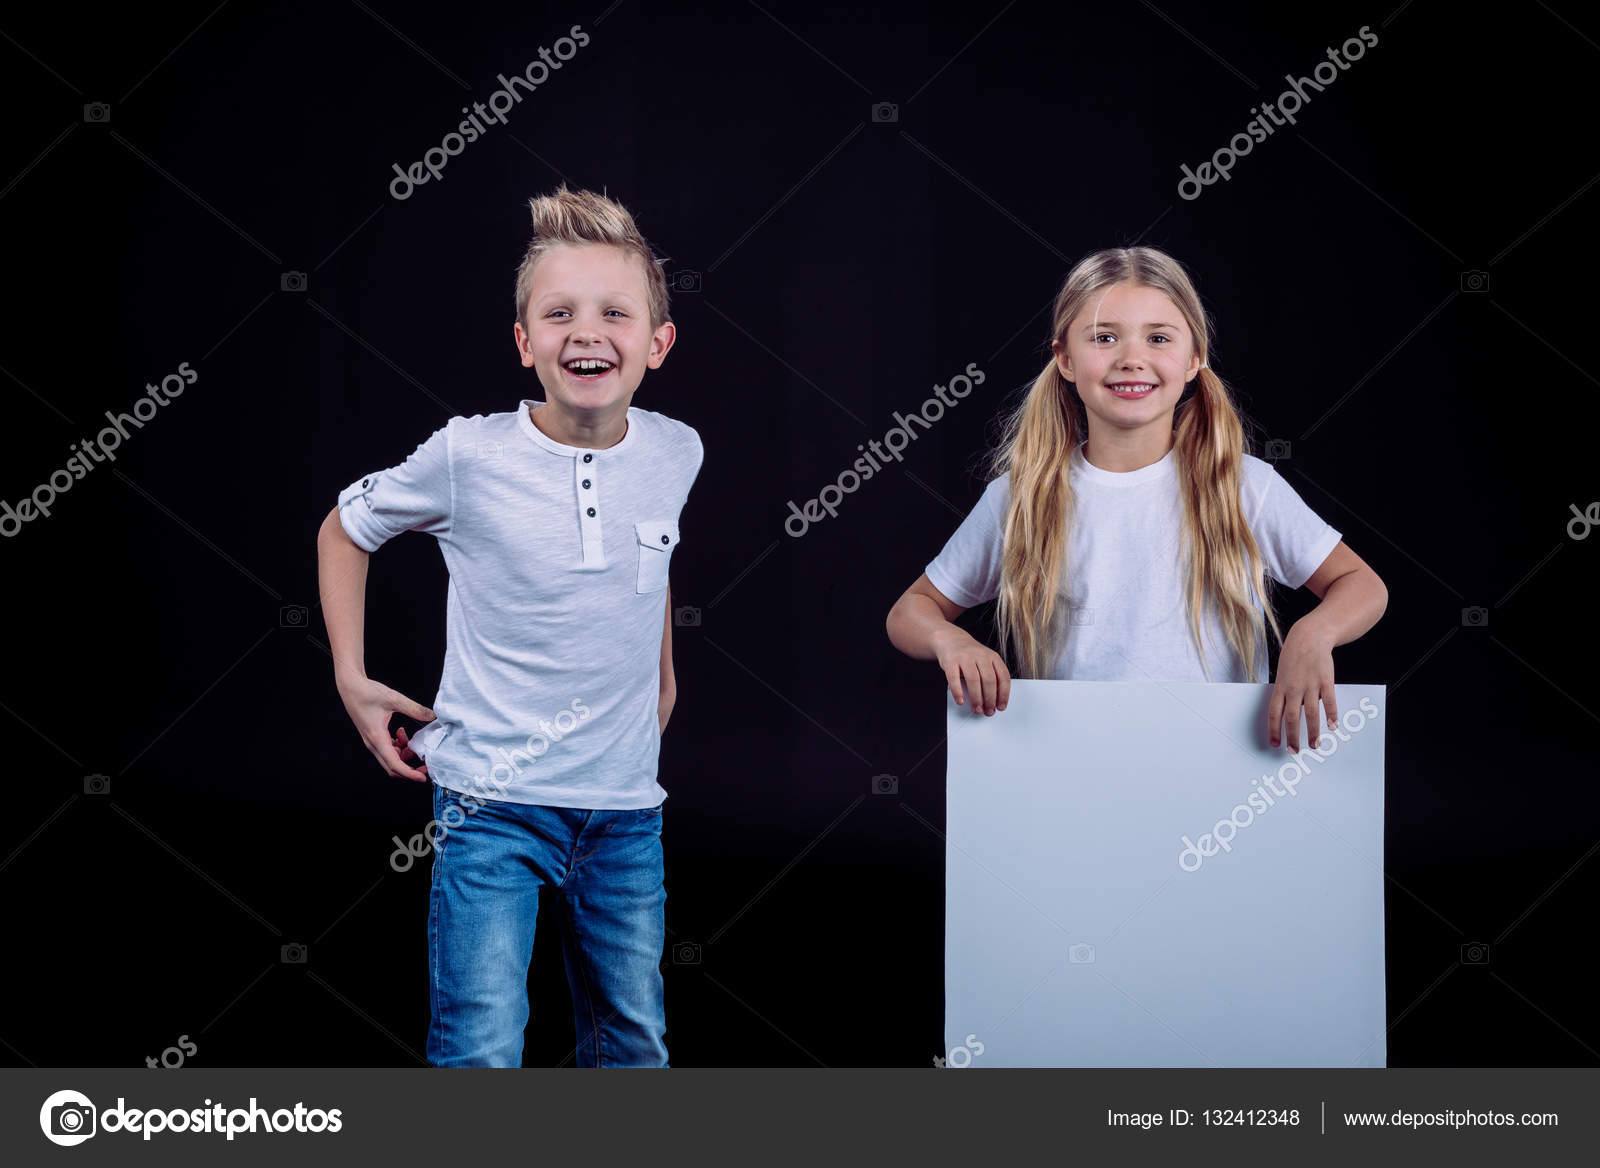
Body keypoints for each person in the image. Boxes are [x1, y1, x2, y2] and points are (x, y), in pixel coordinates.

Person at [316, 184, 701, 1067]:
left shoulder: (677, 451)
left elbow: (650, 565)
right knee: (481, 1044)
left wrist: (663, 678)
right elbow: (346, 528)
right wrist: (351, 676)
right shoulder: (469, 455)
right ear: (526, 342)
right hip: (490, 807)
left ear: (657, 342)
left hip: (624, 814)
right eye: (559, 313)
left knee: (633, 1043)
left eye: (615, 312)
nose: (586, 332)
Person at [885, 246, 1387, 751]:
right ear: (1065, 359)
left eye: (1158, 338)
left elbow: (1362, 585)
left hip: (1219, 764)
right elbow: (910, 611)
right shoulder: (1023, 496)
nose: (1131, 359)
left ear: (1194, 359)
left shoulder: (1240, 485)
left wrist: (1312, 634)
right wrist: (950, 639)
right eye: (1104, 337)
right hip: (1075, 764)